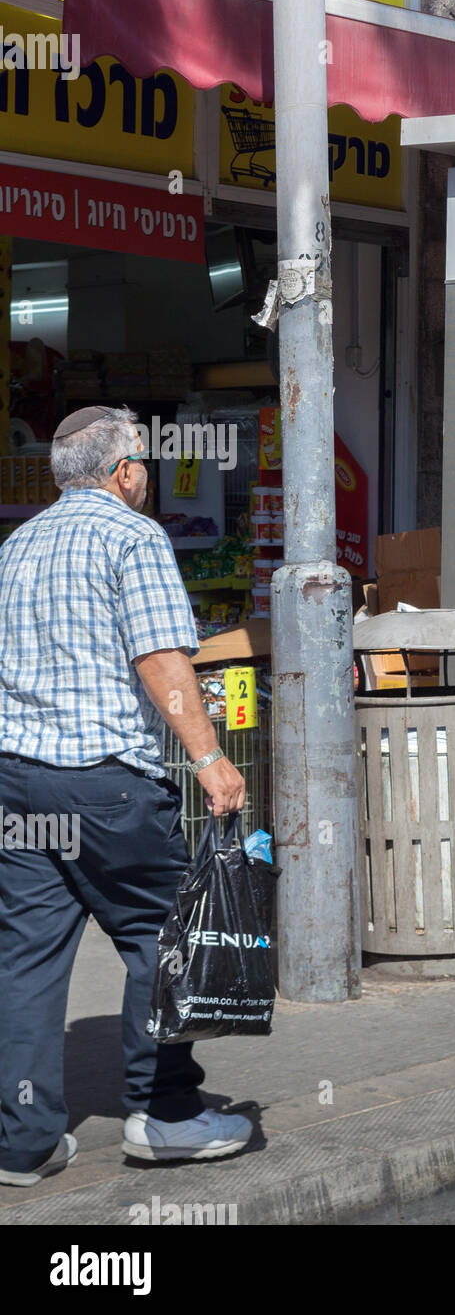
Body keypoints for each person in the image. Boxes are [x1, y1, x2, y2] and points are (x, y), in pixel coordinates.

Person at [0, 406, 252, 1186]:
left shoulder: (17, 543)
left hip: (19, 780)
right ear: (123, 471)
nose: (143, 470)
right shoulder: (131, 535)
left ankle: (24, 1140)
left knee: (27, 960)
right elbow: (161, 661)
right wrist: (210, 759)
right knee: (161, 936)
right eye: (141, 457)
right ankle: (165, 1113)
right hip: (105, 784)